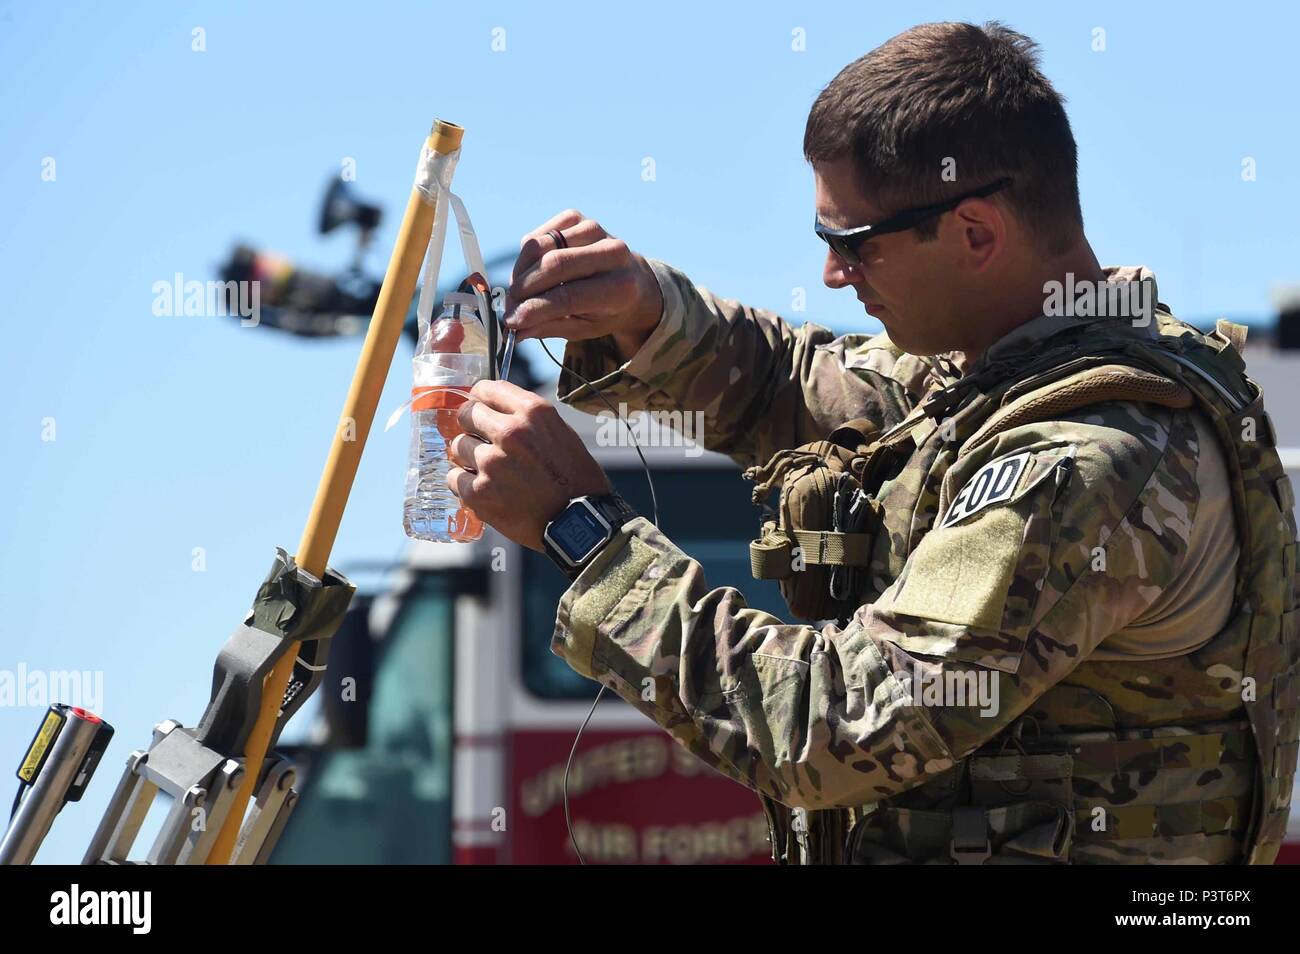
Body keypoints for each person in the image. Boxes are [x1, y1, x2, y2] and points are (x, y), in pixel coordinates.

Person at [444, 21, 1300, 864]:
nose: (832, 275)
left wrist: (581, 529)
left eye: (851, 244)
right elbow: (792, 385)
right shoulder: (1006, 369)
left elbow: (830, 729)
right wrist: (643, 310)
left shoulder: (1086, 457)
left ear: (974, 233)